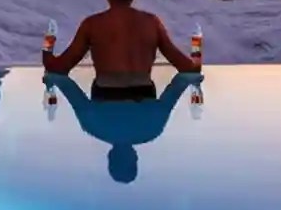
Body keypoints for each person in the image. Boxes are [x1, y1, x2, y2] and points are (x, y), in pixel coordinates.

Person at [42, 0, 200, 100]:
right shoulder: (152, 23)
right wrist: (197, 54)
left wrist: (48, 43)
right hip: (144, 98)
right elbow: (188, 68)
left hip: (105, 98)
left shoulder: (92, 25)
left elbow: (59, 68)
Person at [44, 72, 200, 183]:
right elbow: (66, 84)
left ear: (134, 157)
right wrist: (51, 79)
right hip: (106, 59)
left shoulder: (153, 130)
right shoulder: (92, 127)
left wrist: (193, 78)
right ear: (110, 157)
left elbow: (179, 83)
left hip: (142, 59)